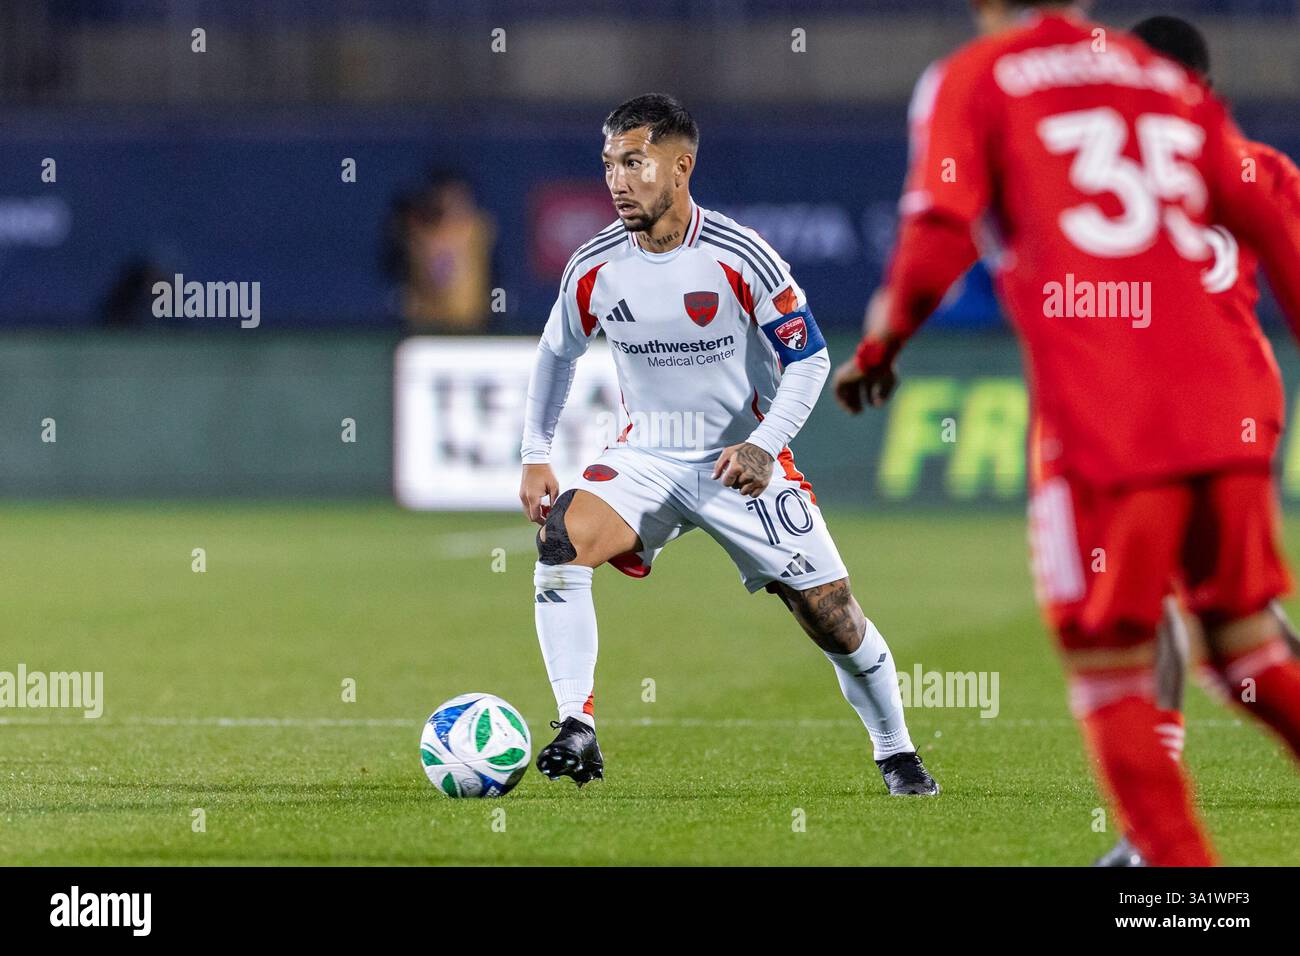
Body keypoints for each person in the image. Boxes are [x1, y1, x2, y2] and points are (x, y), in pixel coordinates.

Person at [832, 1, 1300, 865]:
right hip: (1231, 396)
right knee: (1245, 643)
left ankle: (1175, 883)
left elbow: (937, 235)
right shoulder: (1161, 81)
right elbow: (1276, 229)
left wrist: (881, 345)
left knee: (1107, 651)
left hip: (1111, 414)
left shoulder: (977, 77)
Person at [518, 93, 938, 795]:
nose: (617, 180)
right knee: (562, 538)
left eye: (635, 162)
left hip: (739, 459)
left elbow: (809, 360)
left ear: (680, 167)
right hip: (644, 456)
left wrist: (765, 445)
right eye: (609, 165)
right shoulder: (592, 266)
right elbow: (555, 353)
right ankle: (576, 723)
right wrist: (536, 452)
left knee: (833, 617)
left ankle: (896, 752)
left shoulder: (743, 257)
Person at [1094, 12, 1300, 867]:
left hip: (1192, 409)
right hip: (1199, 405)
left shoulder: (1112, 176)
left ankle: (1150, 844)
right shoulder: (1252, 168)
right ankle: (1150, 838)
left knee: (1158, 610)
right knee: (1231, 619)